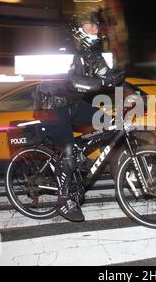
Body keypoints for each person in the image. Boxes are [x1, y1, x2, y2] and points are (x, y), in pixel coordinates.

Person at [32, 14, 125, 222]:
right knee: (67, 151)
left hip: (73, 105)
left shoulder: (92, 52)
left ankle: (79, 159)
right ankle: (65, 201)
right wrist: (97, 83)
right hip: (50, 106)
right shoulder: (64, 47)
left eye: (97, 26)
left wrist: (126, 91)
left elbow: (106, 75)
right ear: (77, 28)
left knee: (111, 123)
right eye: (90, 25)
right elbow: (71, 81)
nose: (95, 29)